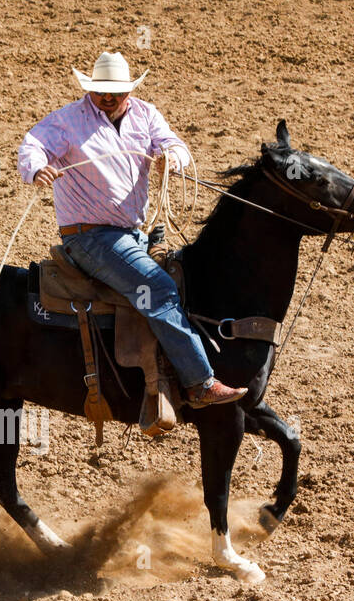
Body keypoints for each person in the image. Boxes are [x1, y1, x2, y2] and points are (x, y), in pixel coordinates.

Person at [18, 51, 247, 407]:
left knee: (186, 276)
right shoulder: (68, 120)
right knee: (157, 288)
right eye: (101, 90)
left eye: (116, 90)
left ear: (129, 90)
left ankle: (165, 375)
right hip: (90, 237)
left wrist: (172, 159)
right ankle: (200, 383)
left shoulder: (146, 115)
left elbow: (174, 144)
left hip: (131, 233)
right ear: (91, 88)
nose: (107, 97)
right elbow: (34, 144)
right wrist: (37, 169)